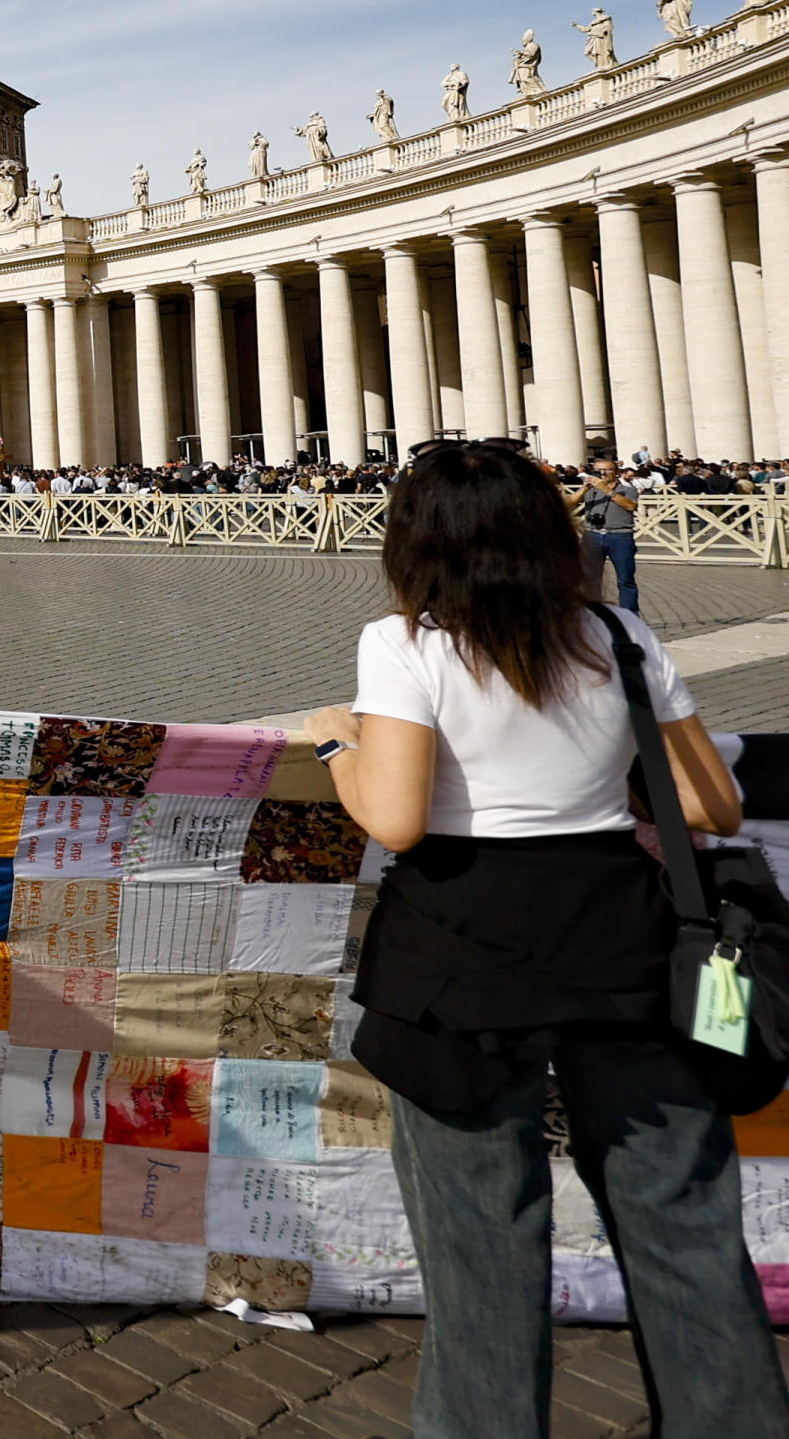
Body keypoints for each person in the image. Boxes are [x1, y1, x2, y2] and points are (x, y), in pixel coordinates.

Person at [308, 440, 786, 1438]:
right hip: (625, 942)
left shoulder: (406, 644)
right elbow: (715, 802)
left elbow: (395, 818)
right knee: (684, 1225)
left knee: (482, 1243)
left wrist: (335, 743)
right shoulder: (618, 634)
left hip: (460, 960)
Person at [579, 456, 640, 612]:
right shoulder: (590, 490)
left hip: (619, 536)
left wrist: (607, 490)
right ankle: (594, 614)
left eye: (607, 469)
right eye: (598, 470)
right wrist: (583, 489)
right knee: (590, 579)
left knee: (625, 579)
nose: (603, 473)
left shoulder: (628, 489)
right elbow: (567, 504)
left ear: (617, 472)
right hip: (592, 535)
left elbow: (630, 506)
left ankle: (630, 616)